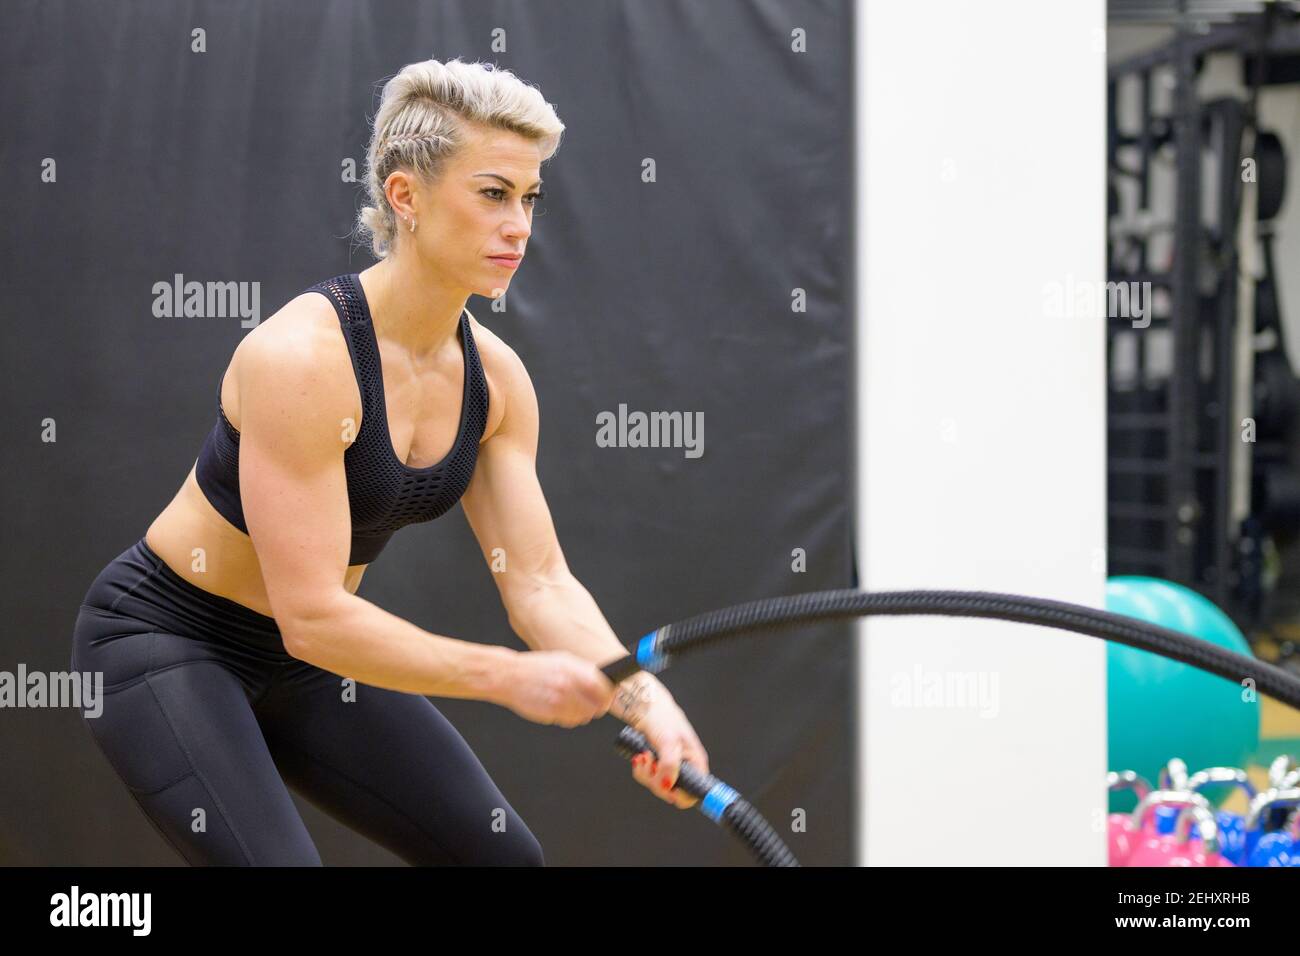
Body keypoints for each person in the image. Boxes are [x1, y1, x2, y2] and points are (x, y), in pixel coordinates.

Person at [70, 57, 709, 866]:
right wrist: (508, 679)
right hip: (169, 641)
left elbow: (540, 582)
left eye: (529, 198)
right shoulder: (301, 359)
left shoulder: (497, 379)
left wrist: (648, 706)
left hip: (310, 667)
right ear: (405, 196)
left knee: (505, 860)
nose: (520, 226)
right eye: (492, 194)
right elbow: (312, 614)